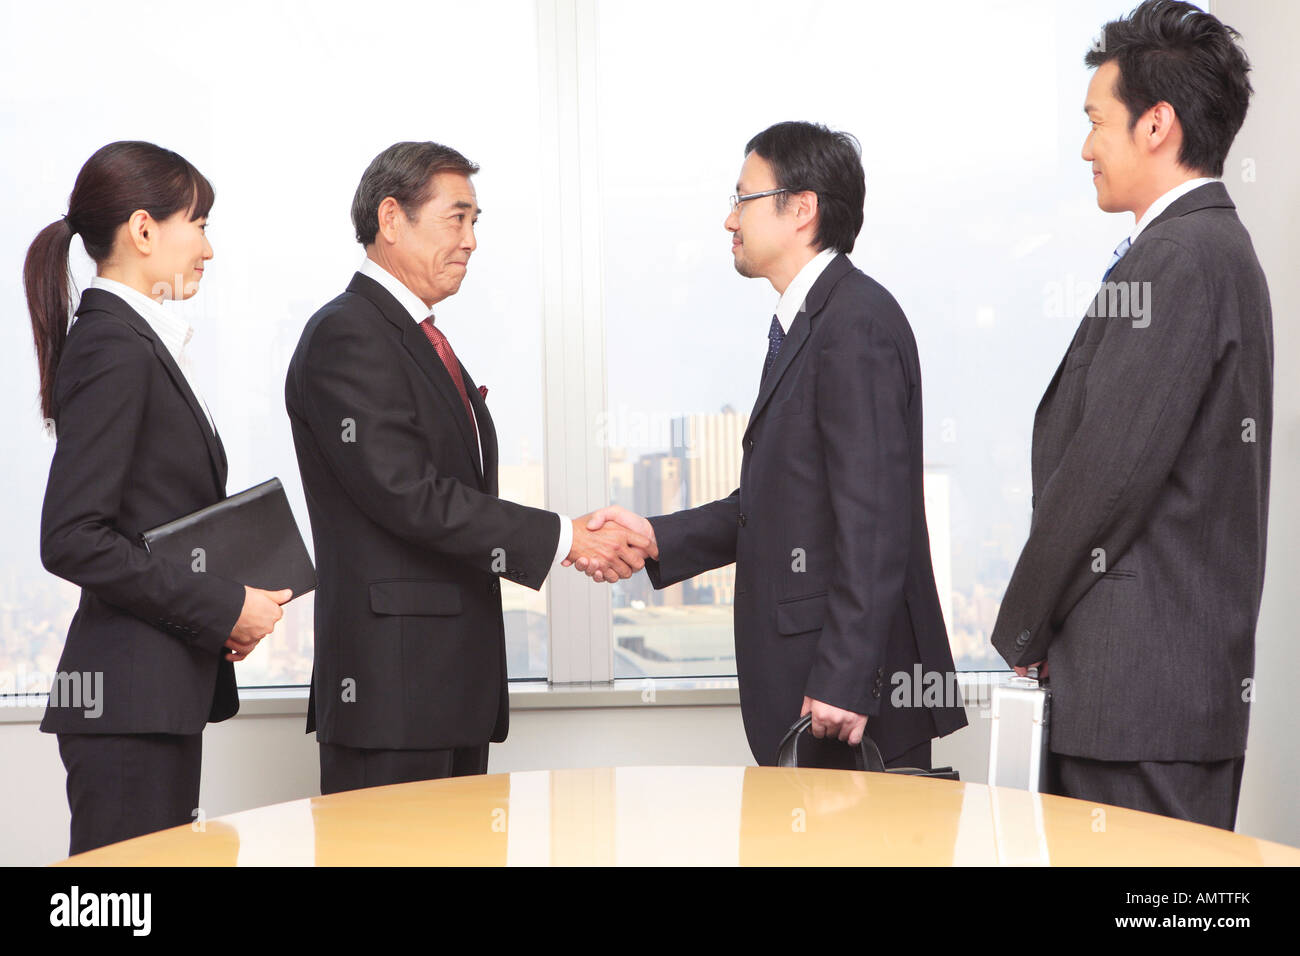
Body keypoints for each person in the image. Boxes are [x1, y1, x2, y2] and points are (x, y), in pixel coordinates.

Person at [581, 122, 967, 767]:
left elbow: (874, 519)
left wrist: (846, 678)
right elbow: (777, 503)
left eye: (744, 198)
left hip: (842, 701)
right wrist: (656, 537)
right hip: (813, 687)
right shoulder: (808, 323)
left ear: (803, 208)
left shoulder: (855, 323)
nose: (728, 219)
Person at [284, 141, 652, 795]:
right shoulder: (350, 335)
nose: (472, 241)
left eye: (476, 221)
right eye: (458, 218)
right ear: (391, 218)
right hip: (391, 700)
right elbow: (409, 496)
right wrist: (567, 538)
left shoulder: (420, 339)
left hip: (446, 694)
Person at [989, 0, 1270, 830]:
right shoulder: (1204, 250)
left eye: (1096, 122)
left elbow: (1105, 478)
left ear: (1157, 125)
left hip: (1139, 707)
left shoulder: (1182, 258)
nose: (1085, 147)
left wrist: (1021, 632)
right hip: (1152, 704)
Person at [29, 141, 291, 855]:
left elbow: (146, 525)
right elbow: (73, 536)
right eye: (199, 223)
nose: (209, 247)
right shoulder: (115, 346)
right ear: (144, 231)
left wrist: (220, 613)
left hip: (148, 702)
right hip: (127, 709)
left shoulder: (131, 342)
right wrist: (222, 606)